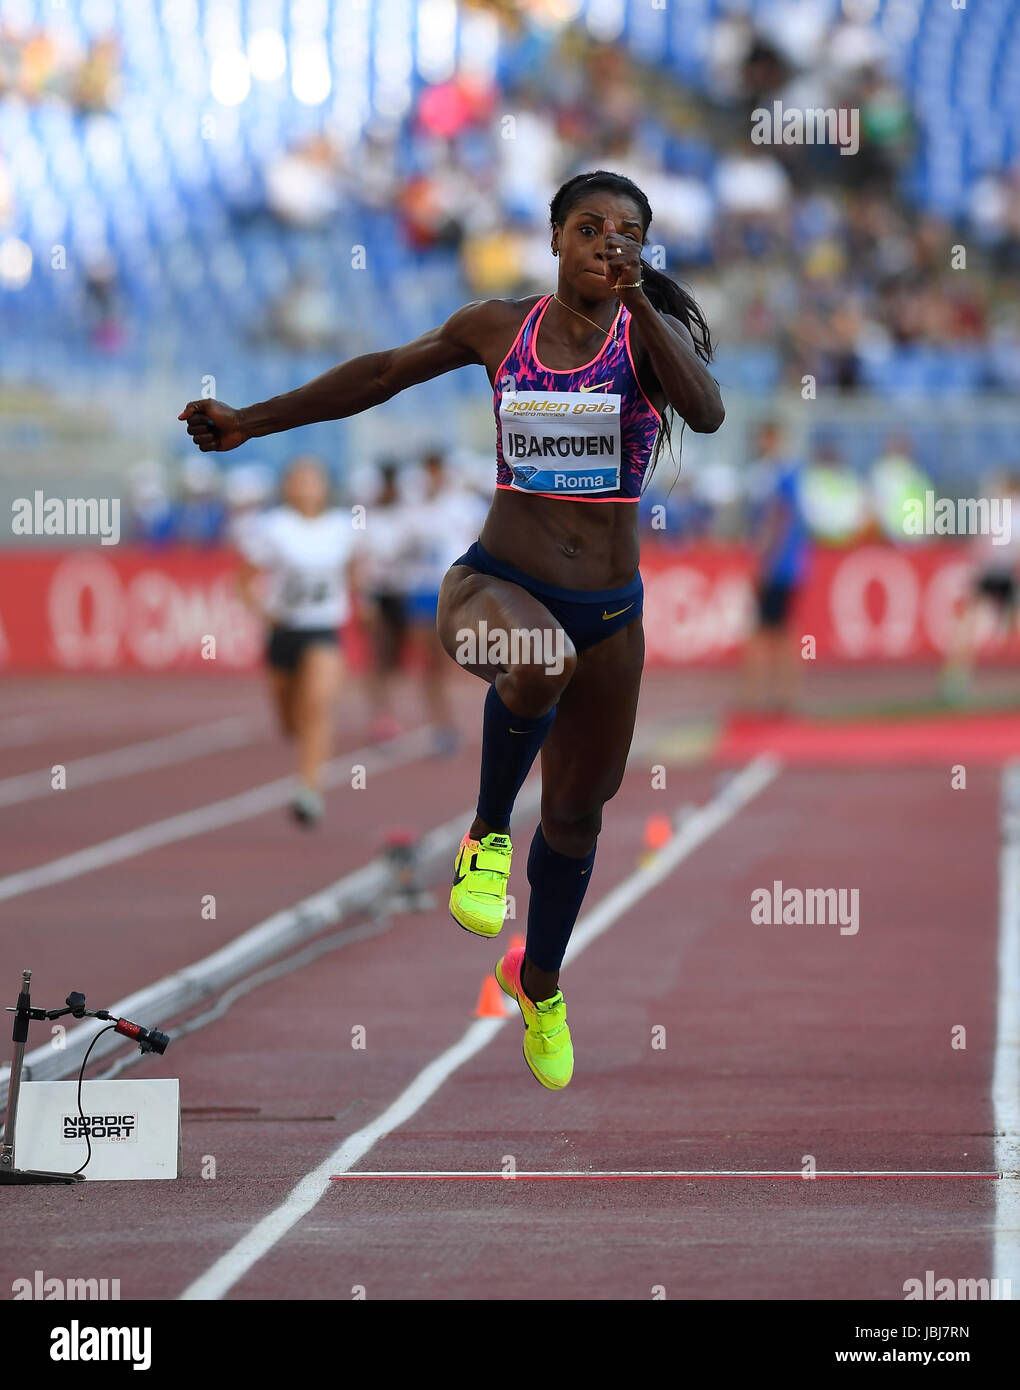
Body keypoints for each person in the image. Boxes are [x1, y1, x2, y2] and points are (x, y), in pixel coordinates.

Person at [179, 169, 723, 1089]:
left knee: (581, 815)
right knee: (536, 664)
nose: (606, 243)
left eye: (626, 233)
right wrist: (252, 424)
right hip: (495, 585)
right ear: (554, 238)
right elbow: (383, 375)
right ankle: (483, 835)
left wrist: (642, 304)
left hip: (612, 618)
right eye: (588, 228)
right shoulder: (498, 328)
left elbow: (706, 412)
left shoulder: (643, 343)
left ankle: (538, 980)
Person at [236, 456, 354, 826]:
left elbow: (355, 570)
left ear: (324, 487)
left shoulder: (343, 527)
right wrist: (262, 610)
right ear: (287, 488)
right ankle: (306, 760)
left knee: (318, 705)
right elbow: (242, 579)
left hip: (323, 628)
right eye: (298, 481)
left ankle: (309, 789)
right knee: (290, 722)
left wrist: (360, 600)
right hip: (283, 630)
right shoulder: (272, 527)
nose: (306, 487)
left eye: (312, 480)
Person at [403, 450, 489, 754]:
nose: (432, 478)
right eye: (428, 472)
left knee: (466, 657)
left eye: (436, 471)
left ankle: (484, 724)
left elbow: (485, 539)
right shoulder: (414, 506)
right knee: (431, 663)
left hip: (457, 588)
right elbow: (403, 544)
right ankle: (442, 725)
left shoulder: (465, 505)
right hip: (423, 588)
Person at [742, 421, 809, 713]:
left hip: (779, 566)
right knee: (780, 631)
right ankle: (784, 695)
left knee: (763, 632)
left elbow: (779, 520)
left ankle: (757, 696)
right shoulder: (783, 475)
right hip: (790, 565)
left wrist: (766, 561)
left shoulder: (781, 476)